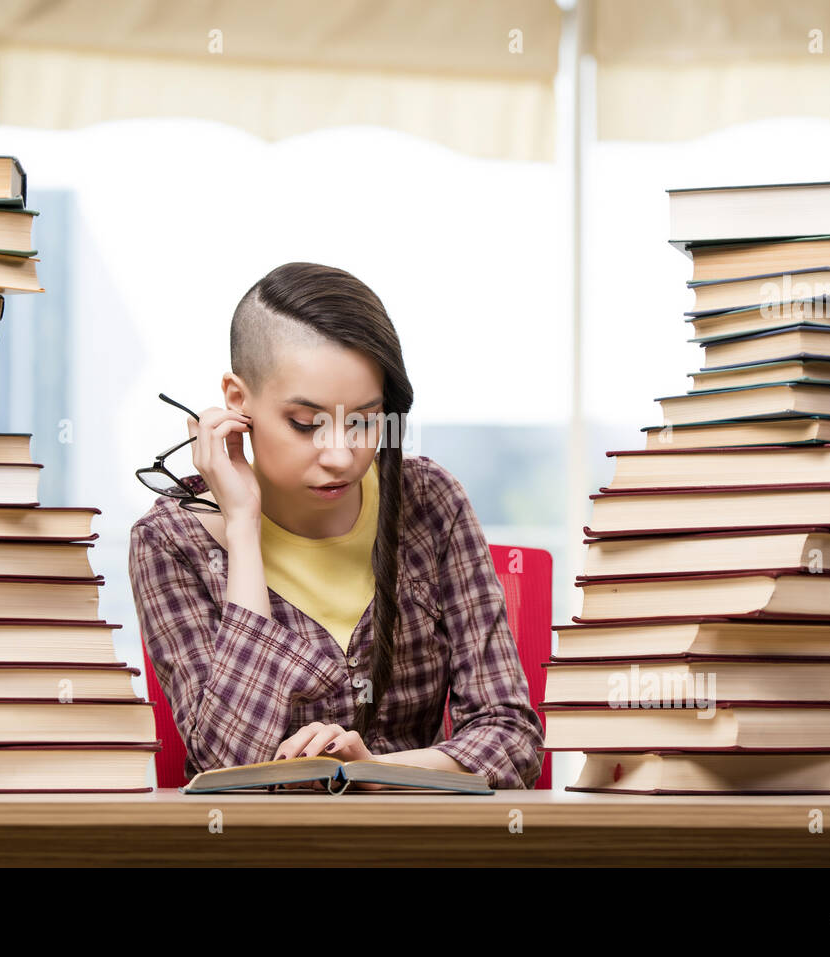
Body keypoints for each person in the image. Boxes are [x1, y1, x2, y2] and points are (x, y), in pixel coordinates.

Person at [128, 262, 543, 790]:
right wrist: (241, 529)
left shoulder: (429, 500)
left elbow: (511, 738)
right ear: (237, 401)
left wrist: (375, 771)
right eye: (306, 425)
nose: (341, 456)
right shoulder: (170, 541)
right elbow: (227, 769)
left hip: (413, 843)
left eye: (365, 420)